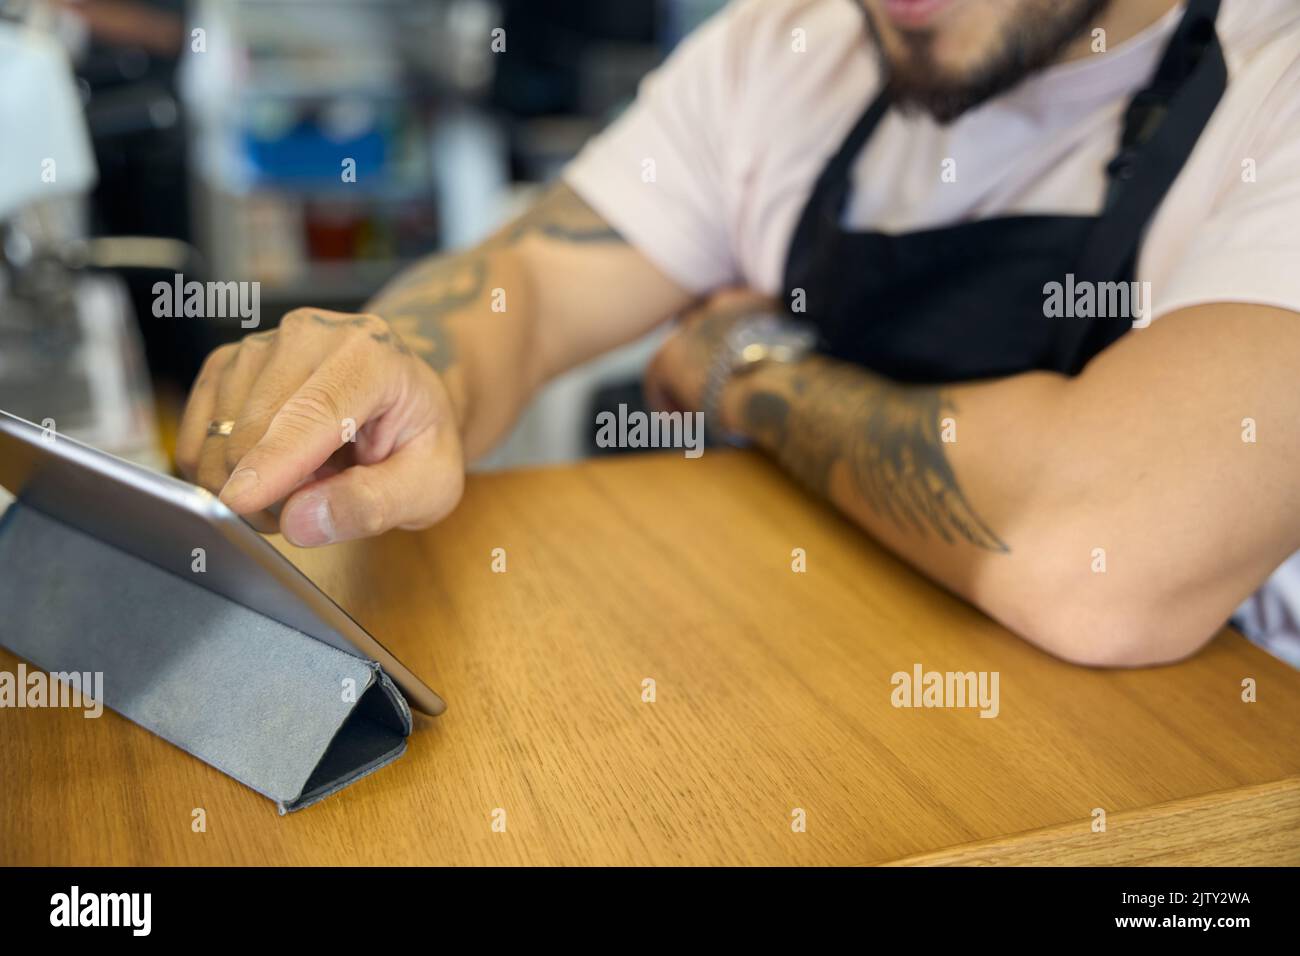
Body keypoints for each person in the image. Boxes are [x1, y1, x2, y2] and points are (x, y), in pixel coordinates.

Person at [177, 0, 1300, 668]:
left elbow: (1099, 559)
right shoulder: (785, 50)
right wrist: (391, 368)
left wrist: (746, 366)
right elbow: (528, 283)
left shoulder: (1275, 85)